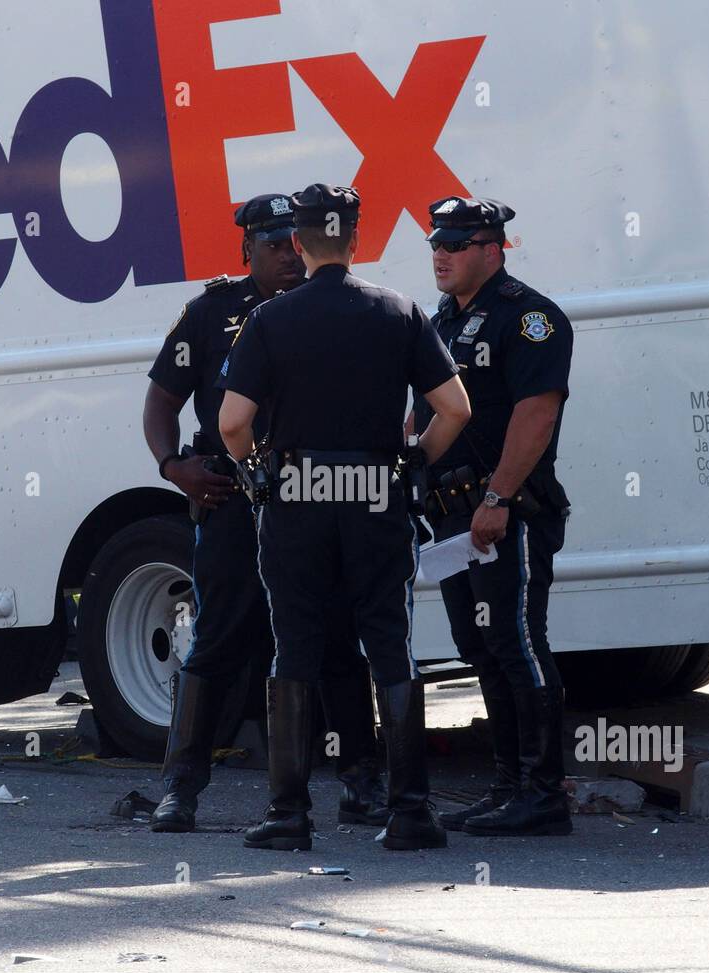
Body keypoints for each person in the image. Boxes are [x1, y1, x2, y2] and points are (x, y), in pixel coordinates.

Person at [219, 184, 471, 851]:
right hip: (377, 498)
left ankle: (289, 814)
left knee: (295, 648)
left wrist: (255, 474)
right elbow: (456, 408)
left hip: (298, 501)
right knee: (390, 645)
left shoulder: (272, 320)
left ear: (298, 243)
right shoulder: (400, 311)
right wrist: (416, 461)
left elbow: (232, 421)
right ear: (355, 239)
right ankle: (411, 810)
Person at [142, 193, 387, 833]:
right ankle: (180, 788)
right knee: (219, 636)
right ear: (245, 249)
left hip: (311, 497)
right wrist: (174, 467)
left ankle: (362, 782)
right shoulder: (210, 313)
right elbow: (161, 401)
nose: (286, 253)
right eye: (272, 244)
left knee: (335, 636)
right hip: (234, 499)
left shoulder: (325, 308)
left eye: (292, 242)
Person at [412, 195, 574, 836]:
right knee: (479, 645)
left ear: (492, 247)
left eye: (455, 244)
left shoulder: (529, 318)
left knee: (518, 643)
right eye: (435, 244)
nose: (441, 255)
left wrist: (498, 498)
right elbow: (425, 410)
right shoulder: (441, 320)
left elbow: (537, 414)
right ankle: (509, 785)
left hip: (505, 512)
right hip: (454, 515)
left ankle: (543, 793)